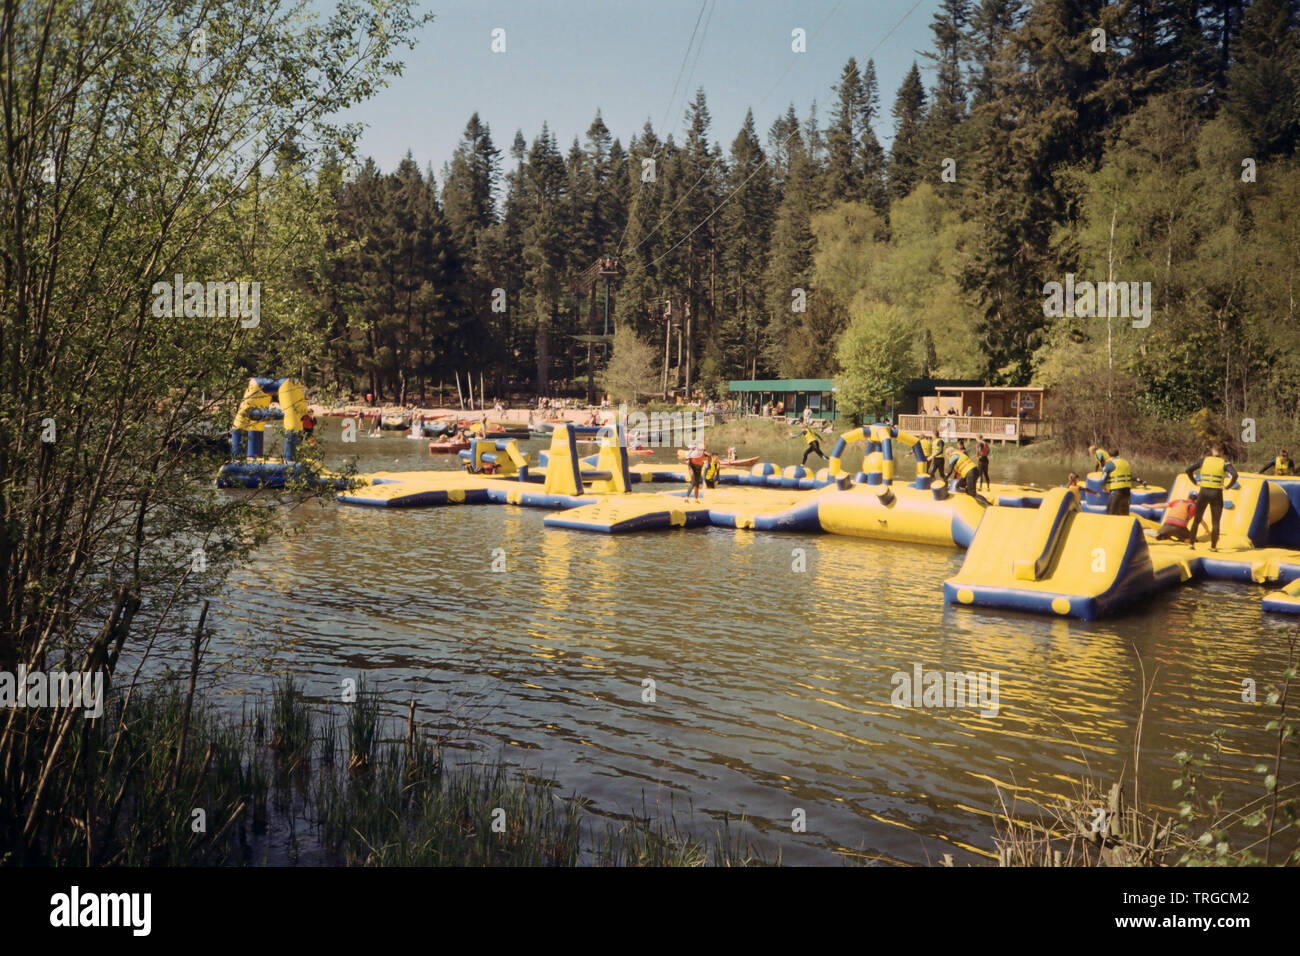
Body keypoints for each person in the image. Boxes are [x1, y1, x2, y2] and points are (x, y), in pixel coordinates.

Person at [1186, 442, 1239, 551]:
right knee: (1215, 522)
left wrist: (1195, 482)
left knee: (1197, 519)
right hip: (1216, 493)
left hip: (1203, 492)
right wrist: (1228, 486)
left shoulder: (1204, 460)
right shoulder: (1224, 463)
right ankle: (1213, 547)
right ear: (1222, 452)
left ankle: (1191, 544)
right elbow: (1235, 475)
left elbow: (1188, 470)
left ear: (1212, 450)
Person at [1098, 447, 1133, 516]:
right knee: (1124, 515)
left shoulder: (1110, 464)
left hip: (1116, 493)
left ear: (1108, 455)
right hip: (1127, 493)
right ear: (1118, 454)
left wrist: (1103, 487)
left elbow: (1102, 479)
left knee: (1111, 515)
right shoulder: (1126, 463)